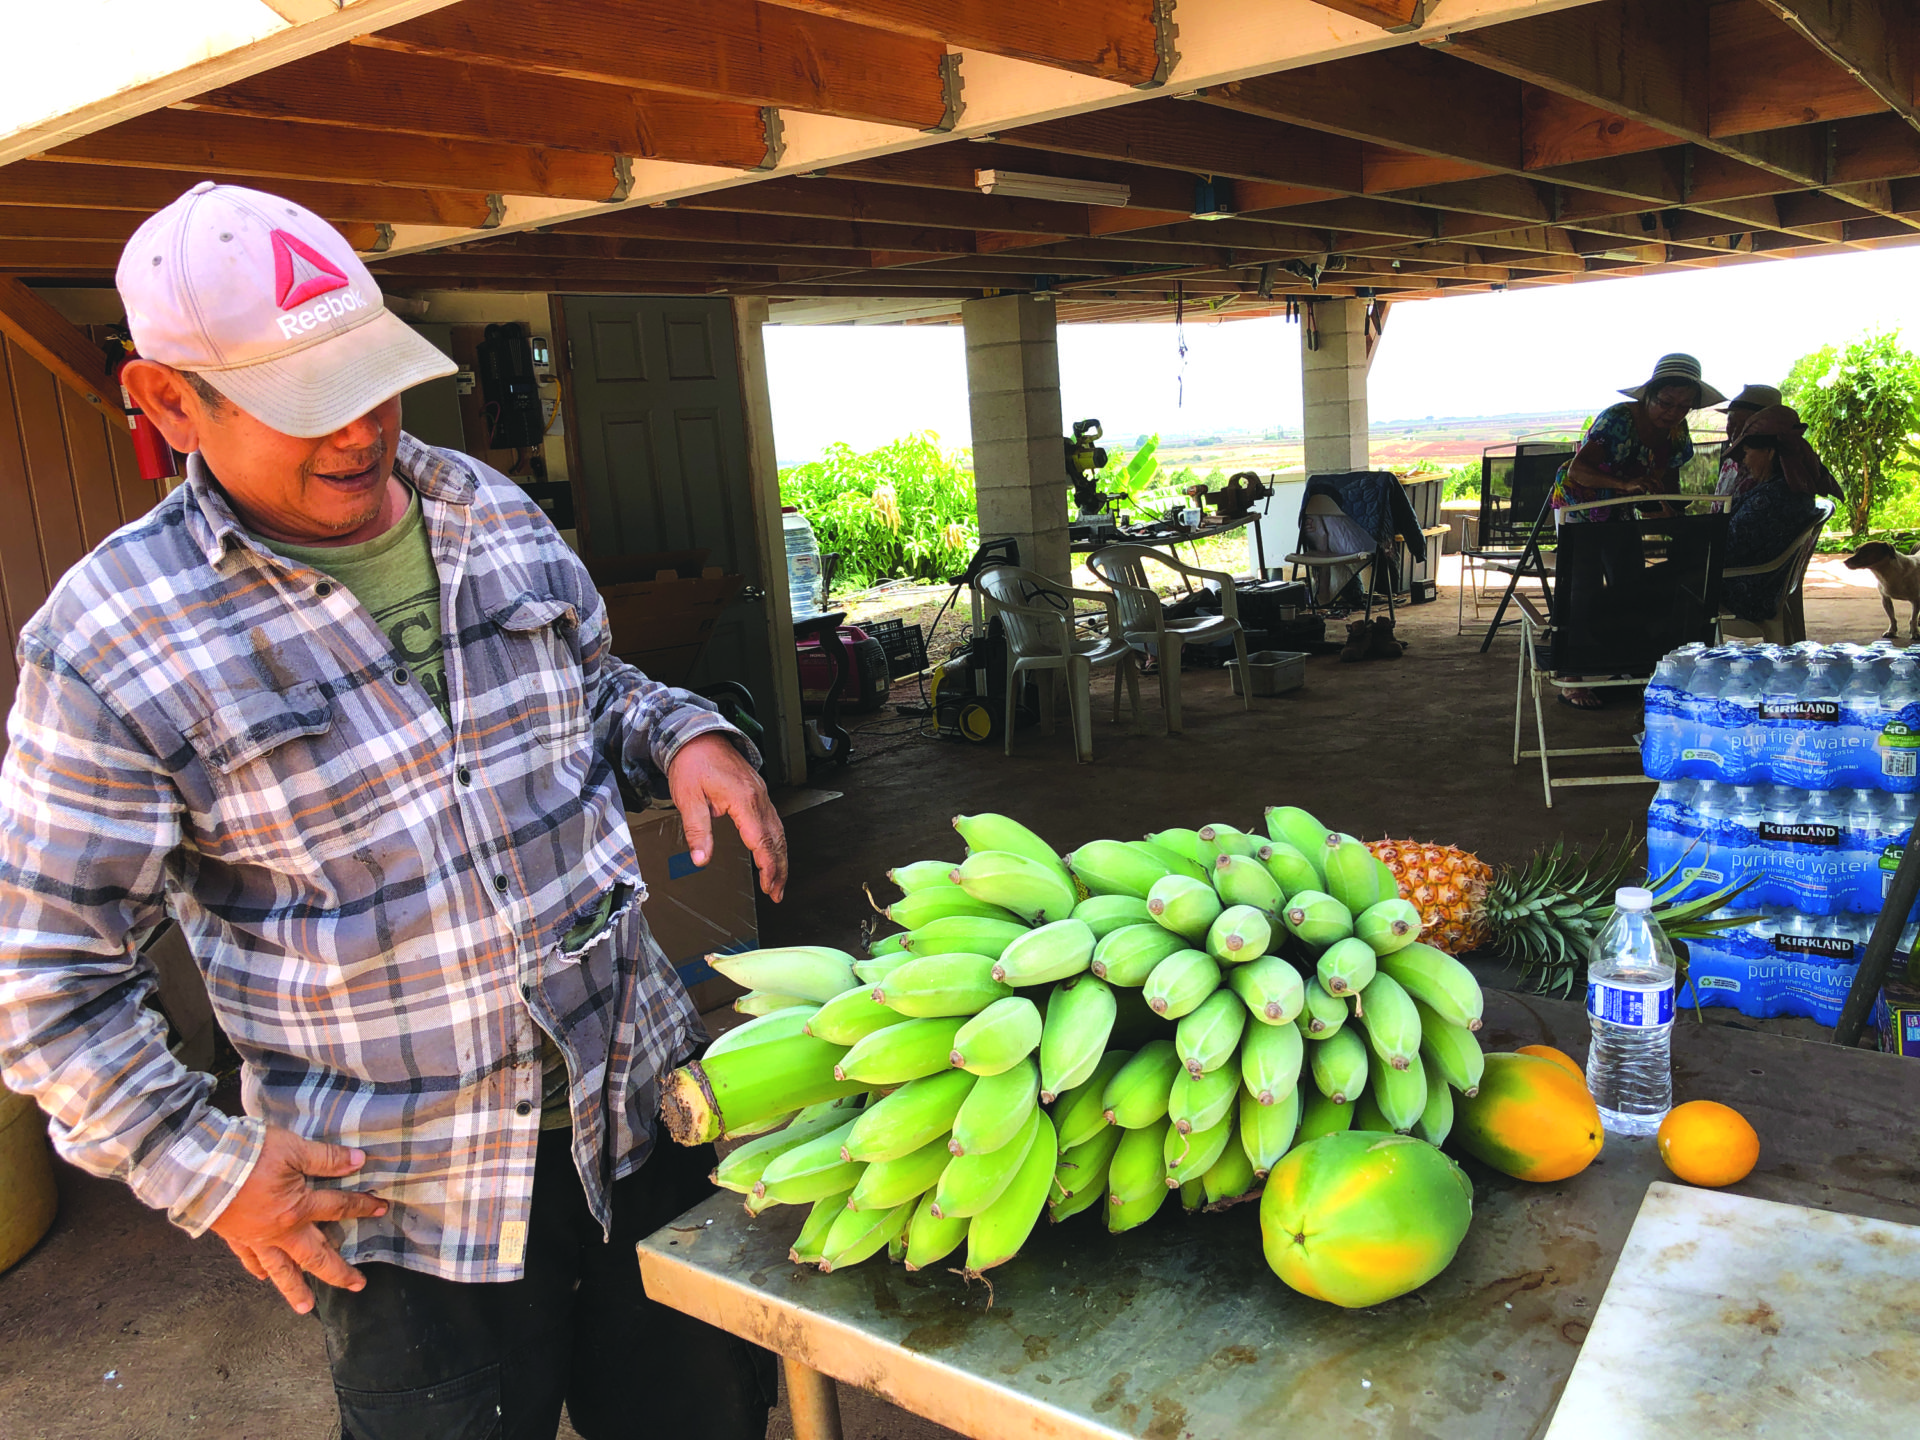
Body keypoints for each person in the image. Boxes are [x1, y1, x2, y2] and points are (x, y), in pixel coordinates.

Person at [0, 183, 785, 1440]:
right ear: (165, 400)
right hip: (408, 1212)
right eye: (299, 403)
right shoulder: (110, 643)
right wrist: (204, 1172)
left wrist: (681, 731)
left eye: (370, 382)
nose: (360, 433)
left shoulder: (486, 506)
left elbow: (597, 687)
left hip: (639, 1113)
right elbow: (48, 980)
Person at [1551, 353, 1725, 707]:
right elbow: (1577, 471)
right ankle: (1572, 674)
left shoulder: (1676, 431)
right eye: (1666, 403)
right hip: (1580, 508)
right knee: (1580, 588)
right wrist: (1623, 485)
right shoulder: (1617, 419)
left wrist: (1665, 506)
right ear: (1648, 395)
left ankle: (1622, 664)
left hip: (1621, 511)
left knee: (1629, 583)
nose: (1673, 412)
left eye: (1683, 406)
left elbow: (1667, 472)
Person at [1721, 404, 1842, 625]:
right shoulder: (1788, 489)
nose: (1744, 460)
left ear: (1769, 452)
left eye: (1747, 452)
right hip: (1765, 585)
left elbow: (1727, 546)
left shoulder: (1772, 499)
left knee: (1663, 584)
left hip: (1748, 591)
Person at [1715, 382, 1784, 502]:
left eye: (1746, 425)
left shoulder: (1777, 472)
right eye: (1732, 422)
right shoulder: (1729, 463)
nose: (1736, 431)